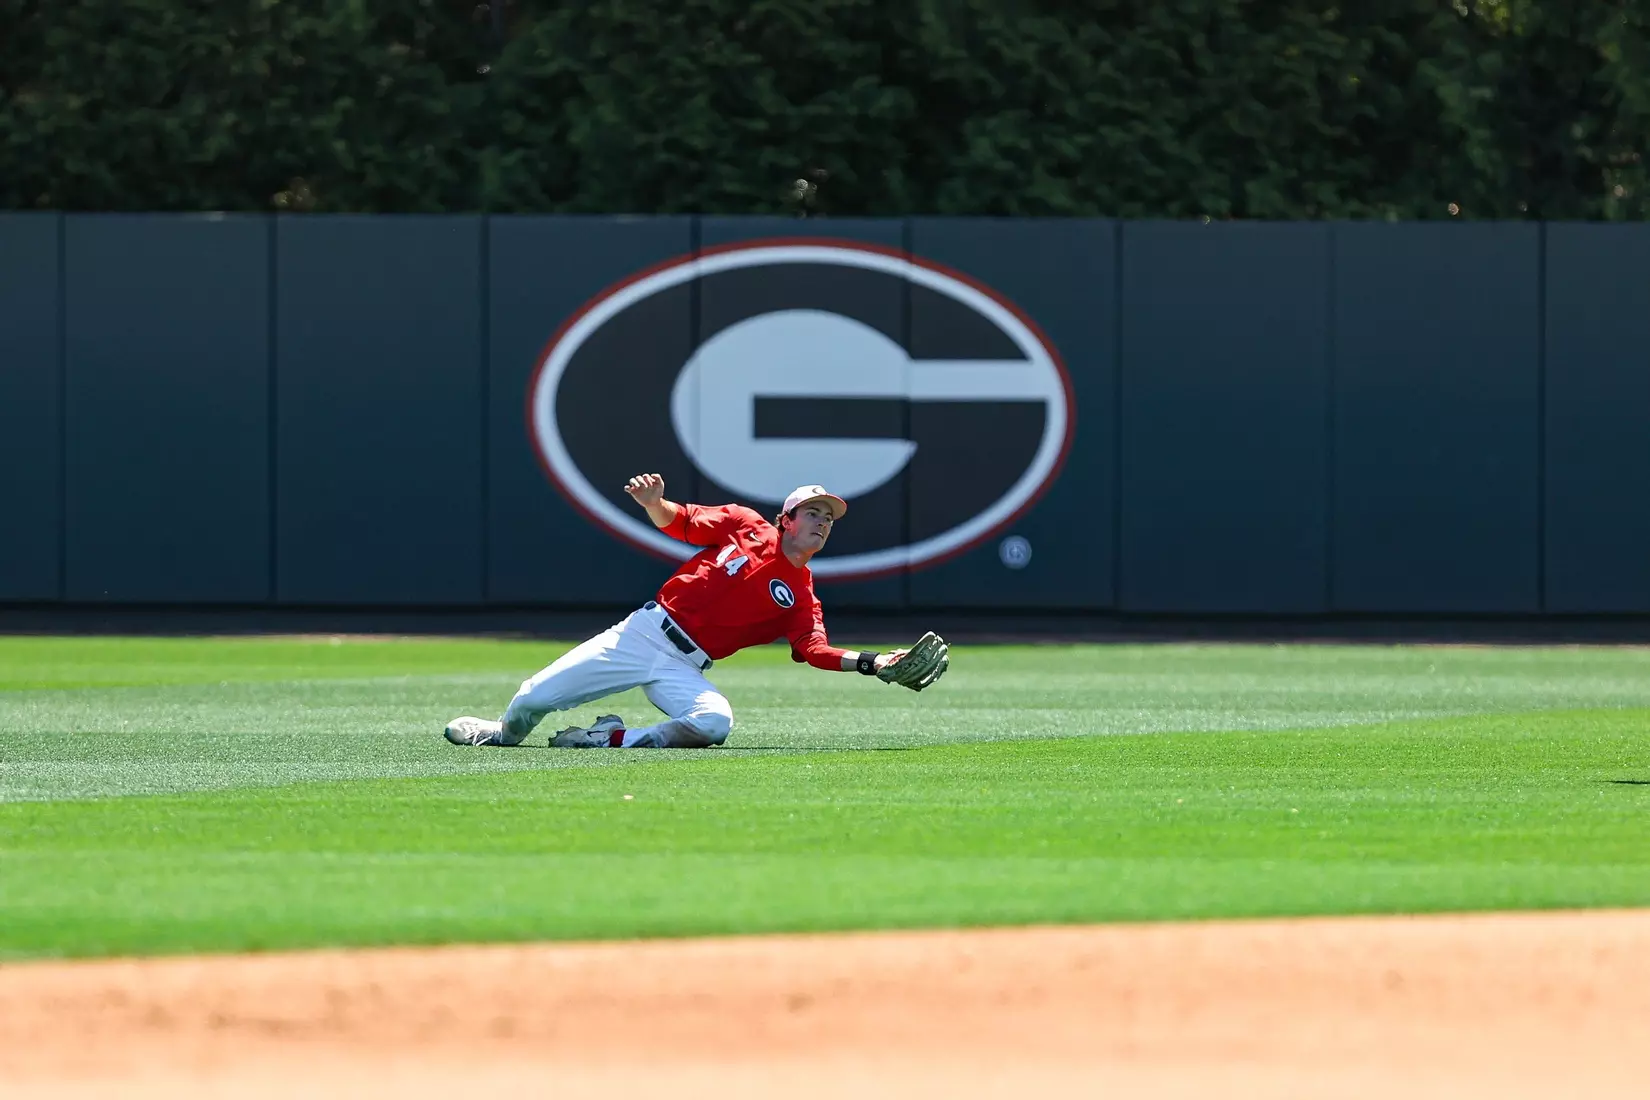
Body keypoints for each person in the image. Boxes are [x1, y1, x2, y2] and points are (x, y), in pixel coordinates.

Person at [443, 475, 943, 750]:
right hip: (642, 634)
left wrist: (873, 661)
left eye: (828, 517)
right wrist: (654, 504)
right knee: (533, 698)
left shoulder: (803, 593)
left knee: (713, 723)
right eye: (813, 512)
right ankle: (499, 733)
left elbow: (812, 650)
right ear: (785, 520)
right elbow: (679, 521)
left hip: (685, 665)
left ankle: (610, 737)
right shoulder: (744, 525)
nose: (822, 522)